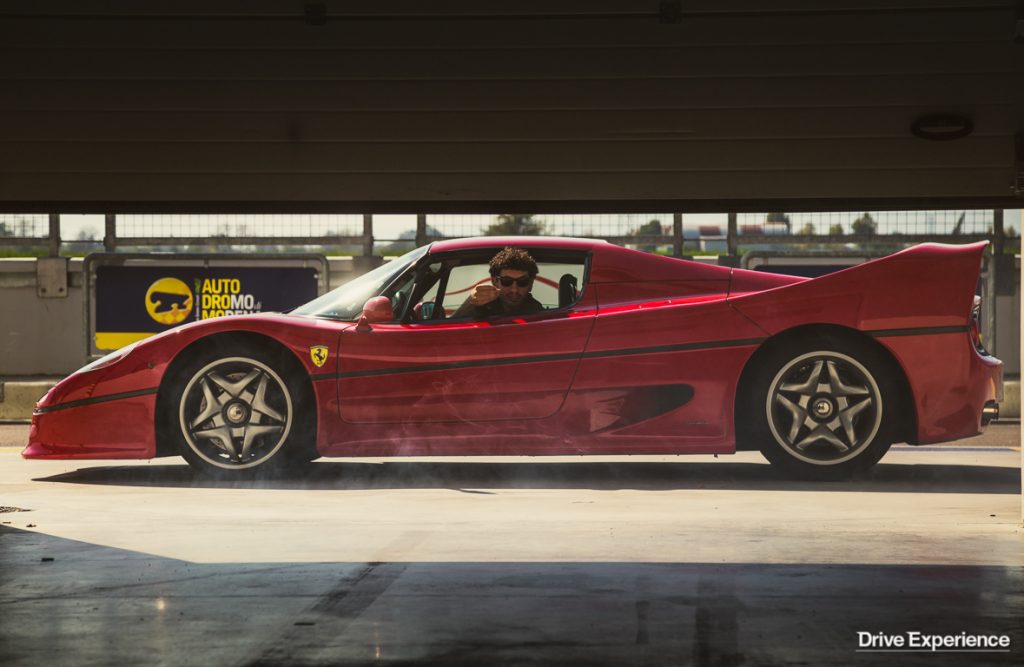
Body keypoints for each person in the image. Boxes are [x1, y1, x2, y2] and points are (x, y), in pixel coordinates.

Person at [453, 247, 545, 318]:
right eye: (507, 281)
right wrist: (472, 302)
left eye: (522, 282)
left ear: (531, 284)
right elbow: (452, 330)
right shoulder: (482, 306)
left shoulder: (538, 315)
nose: (514, 289)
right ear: (494, 281)